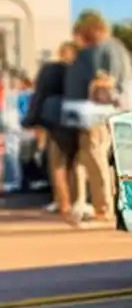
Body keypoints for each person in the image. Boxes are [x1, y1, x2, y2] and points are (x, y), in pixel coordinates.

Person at [64, 10, 132, 226]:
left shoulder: (104, 49)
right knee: (97, 160)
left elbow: (106, 81)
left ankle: (103, 209)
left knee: (96, 159)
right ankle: (104, 206)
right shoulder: (116, 48)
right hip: (112, 113)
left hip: (99, 114)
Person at [22, 41, 82, 222]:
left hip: (54, 117)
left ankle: (63, 201)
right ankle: (76, 199)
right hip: (77, 117)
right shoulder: (79, 70)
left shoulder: (50, 70)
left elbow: (39, 95)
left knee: (57, 162)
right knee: (76, 161)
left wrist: (31, 119)